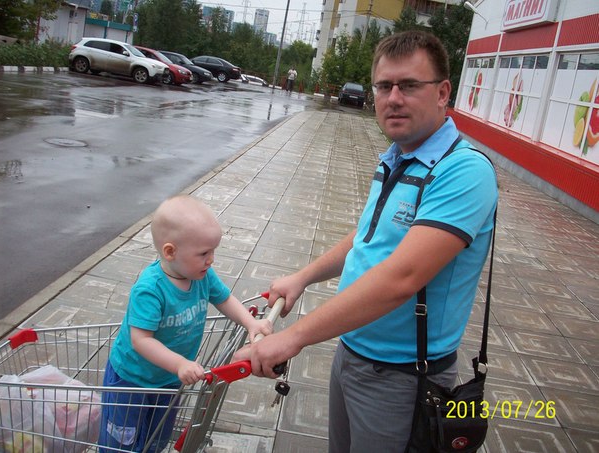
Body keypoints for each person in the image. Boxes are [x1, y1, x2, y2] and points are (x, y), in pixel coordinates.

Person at [233, 30, 498, 452]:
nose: (393, 98)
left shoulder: (463, 172)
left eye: (409, 85)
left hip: (404, 378)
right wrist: (304, 277)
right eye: (383, 86)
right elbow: (369, 237)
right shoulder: (397, 157)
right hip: (352, 353)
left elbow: (402, 277)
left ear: (443, 92)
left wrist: (294, 336)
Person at [98, 195, 272, 452]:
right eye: (203, 253)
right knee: (122, 440)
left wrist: (250, 323)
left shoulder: (202, 276)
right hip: (132, 379)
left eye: (213, 251)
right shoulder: (150, 289)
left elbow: (224, 298)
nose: (211, 259)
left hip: (168, 380)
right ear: (170, 252)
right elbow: (141, 340)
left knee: (157, 436)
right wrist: (179, 363)